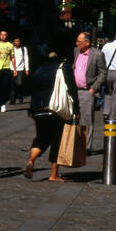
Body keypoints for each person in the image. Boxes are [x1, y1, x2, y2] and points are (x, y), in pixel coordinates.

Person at [24, 41, 78, 182]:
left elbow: (32, 90)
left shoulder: (39, 68)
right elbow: (71, 88)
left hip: (38, 109)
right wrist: (76, 109)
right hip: (55, 109)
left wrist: (31, 110)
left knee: (41, 138)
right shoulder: (64, 67)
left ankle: (31, 160)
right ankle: (54, 174)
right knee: (57, 141)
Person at [72, 31, 106, 152]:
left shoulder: (97, 54)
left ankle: (86, 147)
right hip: (75, 90)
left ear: (87, 43)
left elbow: (103, 73)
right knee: (74, 118)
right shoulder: (76, 51)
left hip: (87, 91)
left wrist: (93, 89)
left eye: (79, 42)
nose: (76, 44)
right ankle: (76, 144)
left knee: (87, 119)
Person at [0, 30, 15, 111]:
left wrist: (14, 69)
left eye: (5, 35)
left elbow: (12, 57)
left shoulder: (10, 45)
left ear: (7, 36)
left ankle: (3, 103)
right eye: (1, 34)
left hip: (6, 68)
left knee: (5, 87)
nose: (3, 36)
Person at [11, 35, 29, 104]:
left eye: (18, 41)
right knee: (13, 85)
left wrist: (27, 69)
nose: (17, 42)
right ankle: (12, 100)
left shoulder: (24, 49)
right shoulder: (11, 49)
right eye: (16, 41)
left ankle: (20, 97)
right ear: (13, 42)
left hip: (21, 68)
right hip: (12, 68)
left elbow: (26, 58)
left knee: (19, 84)